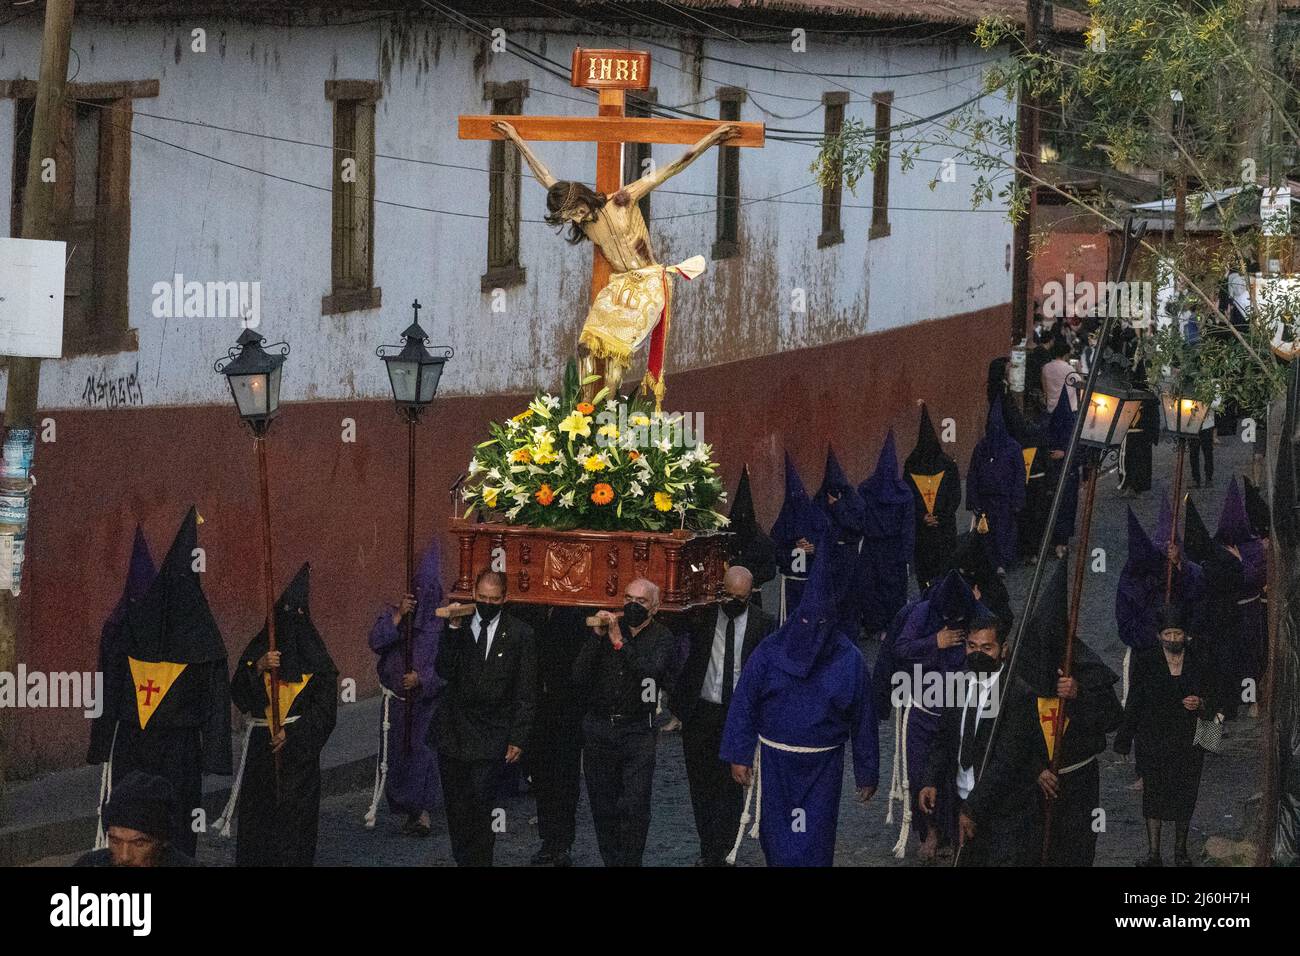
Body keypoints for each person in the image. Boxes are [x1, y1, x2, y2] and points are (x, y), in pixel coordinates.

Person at [493, 119, 741, 397]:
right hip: (619, 285)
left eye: (576, 211)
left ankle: (607, 410)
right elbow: (545, 177)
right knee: (587, 346)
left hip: (648, 282)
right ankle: (586, 407)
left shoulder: (622, 200)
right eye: (570, 217)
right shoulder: (584, 223)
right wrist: (515, 139)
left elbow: (671, 168)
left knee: (616, 354)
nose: (577, 219)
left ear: (582, 197)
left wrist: (711, 138)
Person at [721, 536, 878, 867]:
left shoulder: (849, 660)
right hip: (777, 761)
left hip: (822, 766)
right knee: (777, 837)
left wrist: (867, 771)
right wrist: (739, 753)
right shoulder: (770, 651)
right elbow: (746, 701)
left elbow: (864, 718)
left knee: (814, 838)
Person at [87, 509, 231, 858]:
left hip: (153, 745)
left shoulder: (129, 628)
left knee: (170, 826)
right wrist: (214, 754)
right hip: (161, 747)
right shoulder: (199, 635)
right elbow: (215, 703)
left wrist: (103, 743)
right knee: (143, 825)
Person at [223, 562, 338, 866]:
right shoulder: (259, 652)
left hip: (298, 758)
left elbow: (325, 713)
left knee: (295, 828)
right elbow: (240, 695)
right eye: (286, 613)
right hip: (262, 753)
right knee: (258, 825)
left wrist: (293, 735)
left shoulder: (318, 661)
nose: (292, 620)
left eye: (298, 614)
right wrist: (257, 667)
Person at [1016, 560, 1123, 866]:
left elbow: (1111, 719)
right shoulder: (1019, 678)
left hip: (1078, 782)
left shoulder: (1085, 670)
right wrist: (1037, 769)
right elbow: (1007, 737)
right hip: (1032, 785)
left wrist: (1079, 696)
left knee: (1075, 852)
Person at [917, 604, 1039, 866]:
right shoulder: (958, 683)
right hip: (961, 805)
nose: (978, 654)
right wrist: (930, 780)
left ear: (1003, 649)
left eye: (987, 648)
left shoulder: (1018, 695)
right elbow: (944, 740)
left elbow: (1007, 762)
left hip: (1004, 814)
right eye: (972, 646)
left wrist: (972, 809)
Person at [434, 569, 536, 867]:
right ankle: (463, 860)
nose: (487, 604)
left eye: (493, 599)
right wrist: (451, 630)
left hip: (492, 733)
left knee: (482, 806)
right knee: (457, 807)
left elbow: (526, 690)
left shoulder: (520, 634)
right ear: (474, 595)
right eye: (481, 598)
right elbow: (443, 671)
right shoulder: (459, 625)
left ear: (505, 598)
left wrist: (518, 736)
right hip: (454, 732)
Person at [675, 566, 776, 866]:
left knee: (731, 784)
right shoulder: (702, 616)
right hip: (701, 711)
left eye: (740, 597)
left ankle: (723, 848)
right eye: (728, 595)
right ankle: (709, 847)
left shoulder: (763, 624)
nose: (733, 601)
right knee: (700, 783)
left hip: (738, 713)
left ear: (750, 595)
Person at [573, 577, 676, 867]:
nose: (632, 605)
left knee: (634, 805)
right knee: (602, 805)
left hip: (637, 731)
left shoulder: (662, 637)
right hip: (600, 728)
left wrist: (619, 643)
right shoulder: (604, 633)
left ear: (654, 608)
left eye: (641, 601)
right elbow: (578, 676)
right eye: (628, 598)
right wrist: (597, 637)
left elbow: (650, 675)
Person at [883, 569, 980, 861]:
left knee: (953, 771)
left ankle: (951, 831)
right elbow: (899, 648)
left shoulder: (974, 610)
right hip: (924, 709)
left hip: (958, 707)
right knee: (920, 770)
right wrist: (934, 641)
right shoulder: (922, 612)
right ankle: (929, 831)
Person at [1114, 604, 1217, 867]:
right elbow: (1135, 700)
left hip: (1188, 739)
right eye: (1168, 634)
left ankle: (1181, 852)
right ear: (1160, 636)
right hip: (1154, 739)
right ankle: (1154, 853)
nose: (1173, 639)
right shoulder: (1147, 661)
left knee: (1186, 793)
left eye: (1177, 634)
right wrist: (1124, 740)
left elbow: (1217, 694)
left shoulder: (1198, 658)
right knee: (1155, 795)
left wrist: (1201, 702)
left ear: (1186, 636)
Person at [365, 542, 445, 835]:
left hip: (425, 705)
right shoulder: (395, 615)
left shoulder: (443, 625)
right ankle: (405, 806)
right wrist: (399, 617)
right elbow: (376, 641)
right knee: (397, 756)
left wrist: (422, 680)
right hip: (396, 704)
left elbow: (447, 669)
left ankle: (421, 812)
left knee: (422, 754)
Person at [1116, 505, 1203, 701]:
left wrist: (1178, 566)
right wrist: (1156, 639)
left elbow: (1192, 597)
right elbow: (1125, 625)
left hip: (1180, 651)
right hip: (1145, 652)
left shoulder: (1180, 572)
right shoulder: (1129, 583)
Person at [529, 605, 590, 867]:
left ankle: (563, 841)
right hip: (537, 702)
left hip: (568, 702)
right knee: (541, 774)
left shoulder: (574, 612)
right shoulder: (531, 609)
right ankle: (548, 839)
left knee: (565, 774)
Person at [856, 429, 915, 644]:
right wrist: (907, 554)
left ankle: (877, 625)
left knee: (872, 587)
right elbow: (908, 527)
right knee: (886, 588)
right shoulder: (904, 493)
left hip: (874, 547)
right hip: (891, 548)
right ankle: (885, 625)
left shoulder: (866, 489)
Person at [75, 771, 196, 867]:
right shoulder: (91, 863)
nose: (124, 856)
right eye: (116, 841)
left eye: (139, 844)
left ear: (163, 841)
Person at [905, 402, 961, 590]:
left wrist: (924, 517)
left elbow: (909, 497)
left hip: (929, 531)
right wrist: (936, 517)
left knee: (931, 571)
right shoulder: (947, 464)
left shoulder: (912, 464)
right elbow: (954, 496)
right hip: (939, 529)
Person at [966, 400, 1025, 576]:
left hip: (1005, 500)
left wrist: (1017, 500)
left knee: (1004, 532)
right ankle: (990, 562)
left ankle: (1002, 562)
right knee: (987, 533)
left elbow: (1019, 476)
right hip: (986, 500)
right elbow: (973, 474)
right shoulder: (981, 448)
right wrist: (973, 500)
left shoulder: (1013, 448)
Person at [814, 446, 867, 639]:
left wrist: (838, 507)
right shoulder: (819, 500)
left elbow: (856, 526)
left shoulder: (853, 501)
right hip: (829, 557)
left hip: (849, 557)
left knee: (850, 599)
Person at [770, 452, 829, 621]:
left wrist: (814, 550)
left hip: (812, 582)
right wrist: (794, 550)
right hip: (790, 584)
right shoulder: (783, 523)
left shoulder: (818, 520)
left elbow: (828, 551)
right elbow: (776, 553)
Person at [725, 465, 777, 602]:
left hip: (753, 596)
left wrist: (749, 581)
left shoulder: (762, 542)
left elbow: (770, 571)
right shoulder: (726, 537)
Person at [1045, 383, 1080, 560]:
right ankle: (1059, 543)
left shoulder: (1051, 425)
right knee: (1065, 509)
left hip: (1059, 475)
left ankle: (1056, 543)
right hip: (1067, 476)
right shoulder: (1073, 427)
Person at [1041, 336, 1077, 413]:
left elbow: (1045, 388)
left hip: (1051, 408)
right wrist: (1079, 369)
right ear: (1066, 355)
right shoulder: (1069, 369)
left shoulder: (1046, 367)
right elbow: (1081, 384)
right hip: (1067, 409)